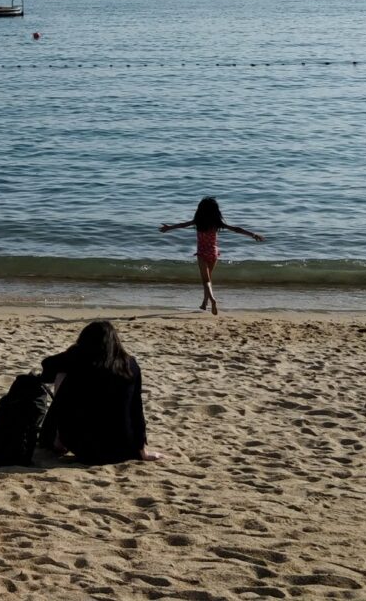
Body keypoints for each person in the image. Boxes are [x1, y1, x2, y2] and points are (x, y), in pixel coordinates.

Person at [39, 321, 162, 464]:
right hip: (123, 447)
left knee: (62, 375)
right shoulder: (130, 365)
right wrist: (142, 450)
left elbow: (47, 366)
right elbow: (136, 408)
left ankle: (59, 439)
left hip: (85, 447)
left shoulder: (79, 360)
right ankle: (60, 438)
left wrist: (72, 352)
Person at [159, 196, 262, 315]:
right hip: (213, 253)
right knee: (208, 280)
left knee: (206, 281)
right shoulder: (217, 222)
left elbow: (182, 225)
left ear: (200, 209)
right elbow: (236, 229)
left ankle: (212, 300)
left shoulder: (198, 221)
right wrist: (252, 234)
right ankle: (204, 303)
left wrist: (169, 228)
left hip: (202, 253)